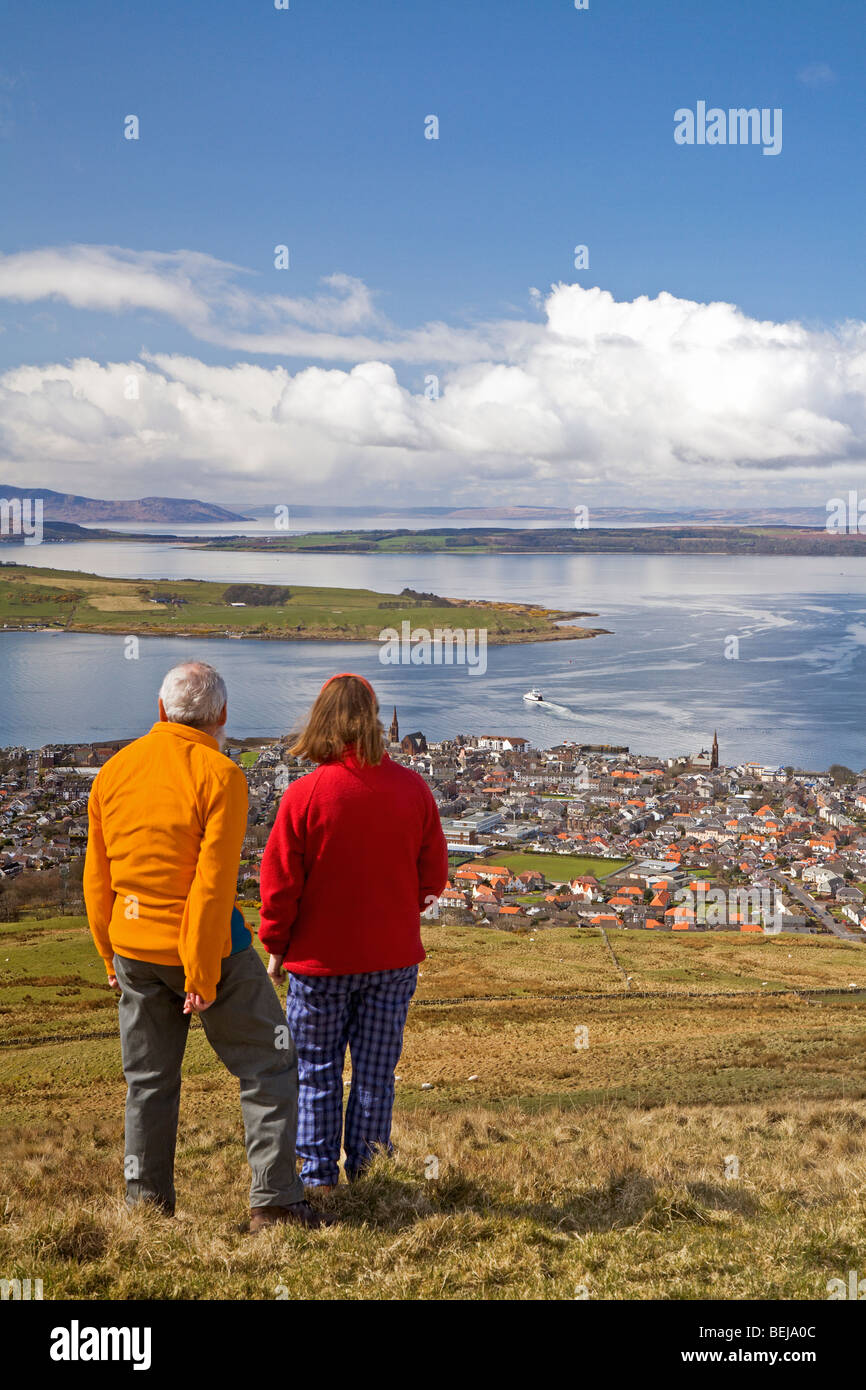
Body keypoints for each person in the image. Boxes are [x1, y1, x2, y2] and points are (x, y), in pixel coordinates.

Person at [83, 660, 326, 1232]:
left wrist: (107, 954)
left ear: (161, 710)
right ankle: (274, 1200)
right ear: (221, 715)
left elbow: (98, 877)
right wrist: (200, 974)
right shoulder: (221, 775)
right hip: (207, 953)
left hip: (134, 950)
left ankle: (147, 1207)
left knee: (148, 1082)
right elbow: (211, 886)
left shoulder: (113, 772)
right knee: (269, 1062)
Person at [259, 673, 448, 1191]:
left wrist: (276, 945)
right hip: (392, 961)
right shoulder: (413, 790)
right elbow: (433, 878)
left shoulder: (304, 795)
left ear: (322, 721)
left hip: (318, 965)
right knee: (375, 1075)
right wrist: (398, 915)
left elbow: (279, 885)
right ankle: (368, 1174)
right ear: (373, 719)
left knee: (316, 1073)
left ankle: (318, 1180)